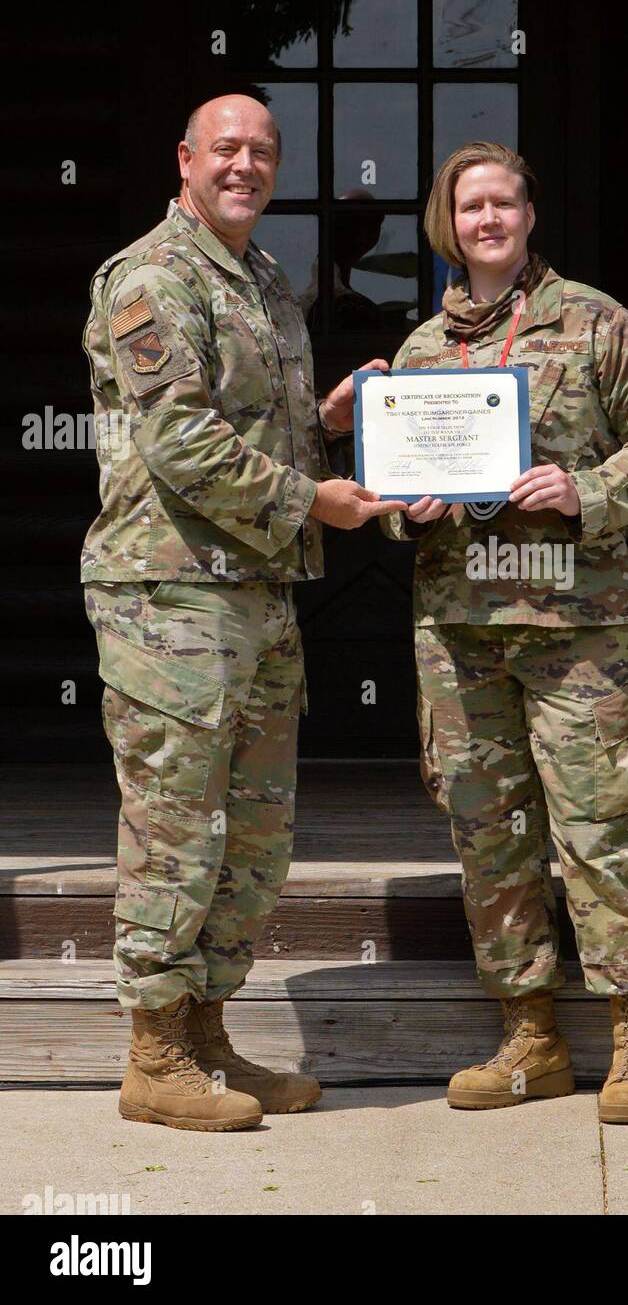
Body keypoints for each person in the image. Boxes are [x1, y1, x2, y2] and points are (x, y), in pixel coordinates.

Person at [81, 94, 405, 1131]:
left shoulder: (261, 279)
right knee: (174, 828)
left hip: (253, 591)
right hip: (168, 596)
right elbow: (181, 443)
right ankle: (155, 1056)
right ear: (186, 159)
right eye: (227, 149)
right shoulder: (153, 278)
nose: (246, 166)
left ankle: (208, 1032)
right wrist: (314, 497)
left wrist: (326, 424)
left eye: (262, 152)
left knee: (254, 832)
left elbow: (247, 429)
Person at [354, 140, 628, 1123]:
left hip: (577, 625)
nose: (488, 221)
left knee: (598, 832)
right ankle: (530, 1035)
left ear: (529, 214)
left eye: (504, 203)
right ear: (447, 224)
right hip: (462, 631)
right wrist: (398, 512)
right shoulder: (421, 352)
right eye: (470, 208)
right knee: (491, 839)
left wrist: (584, 489)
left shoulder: (593, 322)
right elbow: (385, 492)